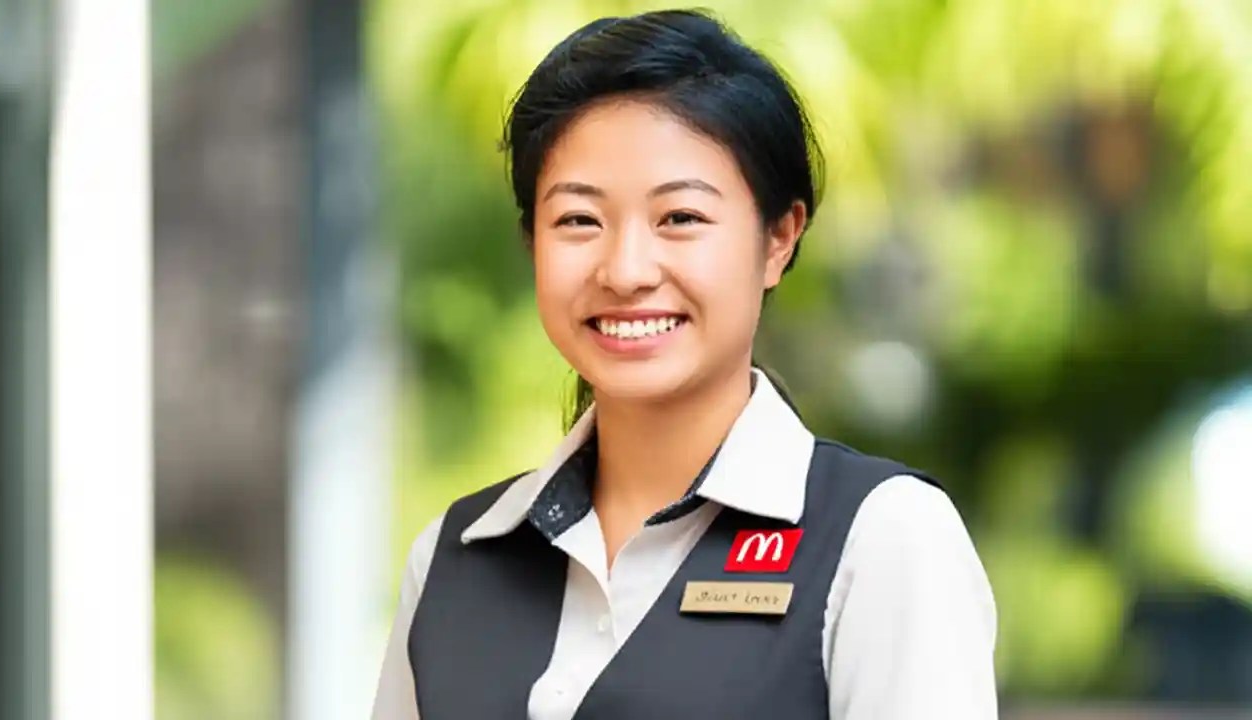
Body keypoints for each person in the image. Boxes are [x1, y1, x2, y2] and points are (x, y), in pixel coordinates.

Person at [372, 9, 997, 719]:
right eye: (579, 220)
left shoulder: (882, 539)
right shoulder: (454, 561)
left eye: (681, 219)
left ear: (779, 238)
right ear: (531, 243)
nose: (627, 270)